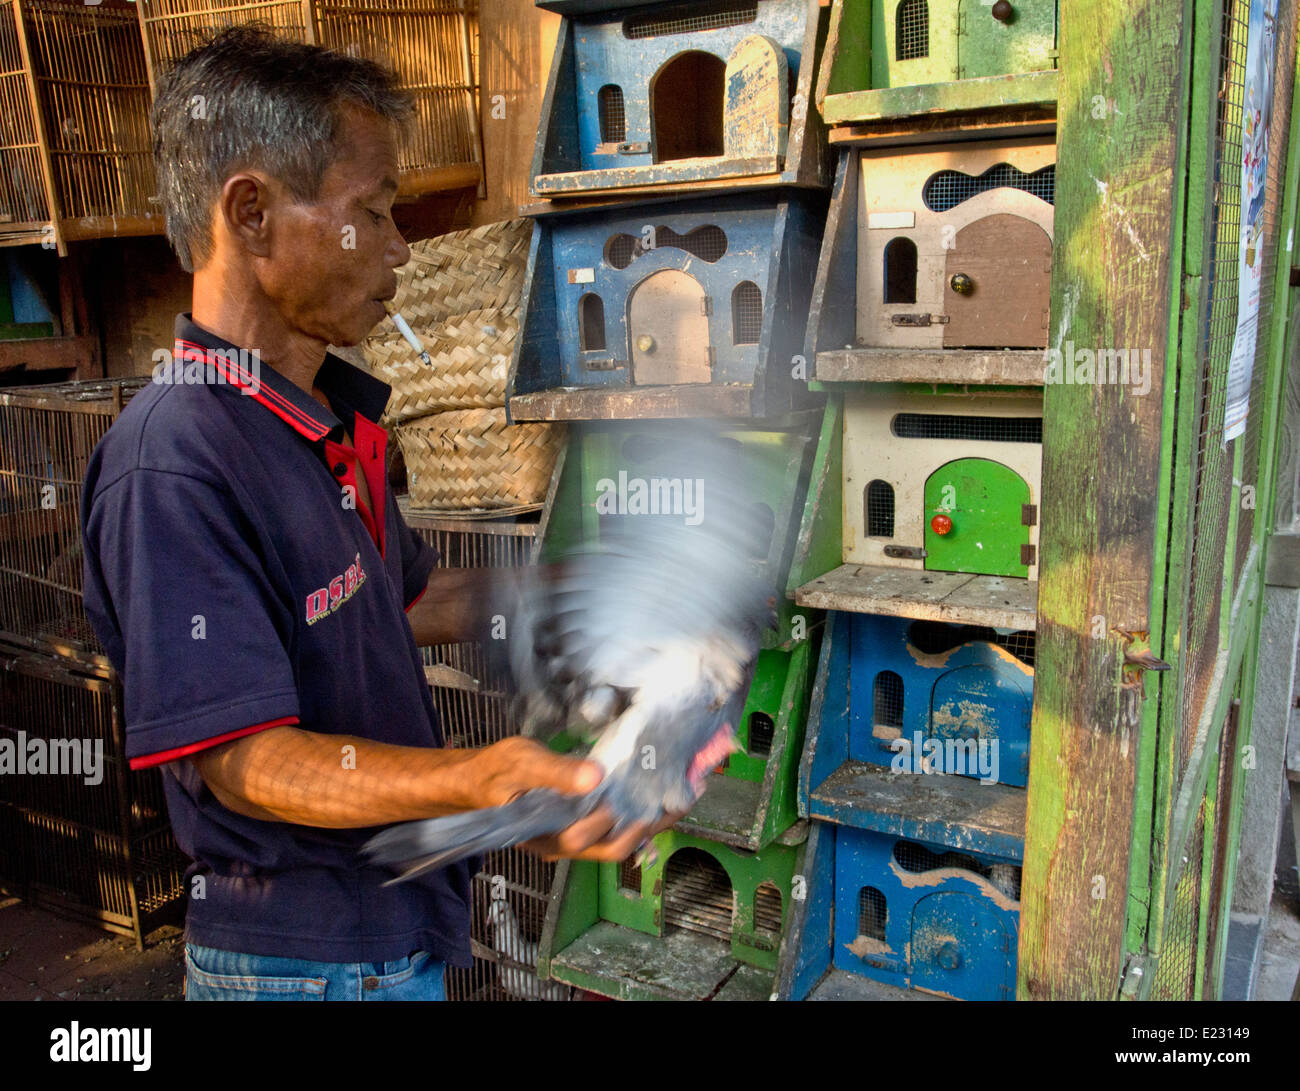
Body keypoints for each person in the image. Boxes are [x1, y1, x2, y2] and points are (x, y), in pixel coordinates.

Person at [80, 26, 673, 1002]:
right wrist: (483, 781)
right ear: (253, 212)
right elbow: (245, 759)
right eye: (375, 212)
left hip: (397, 929)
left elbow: (418, 596)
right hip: (298, 965)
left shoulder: (315, 424)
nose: (401, 249)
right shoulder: (174, 462)